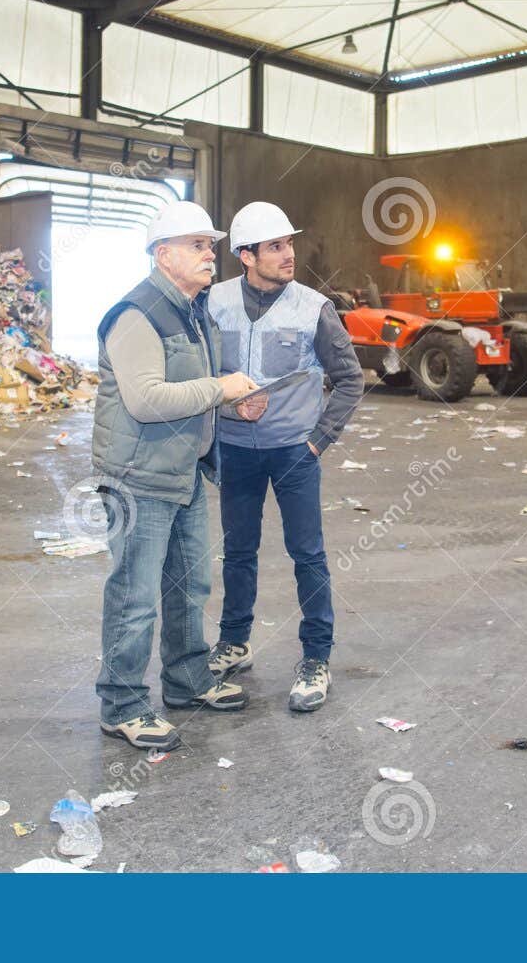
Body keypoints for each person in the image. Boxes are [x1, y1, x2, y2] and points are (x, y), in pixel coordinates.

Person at [92, 200, 264, 752]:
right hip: (138, 477)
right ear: (163, 255)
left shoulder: (195, 310)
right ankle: (121, 704)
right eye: (196, 245)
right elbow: (146, 400)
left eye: (210, 245)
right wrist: (220, 389)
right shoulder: (136, 315)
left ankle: (186, 678)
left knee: (189, 585)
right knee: (135, 595)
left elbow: (194, 386)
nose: (209, 254)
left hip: (183, 469)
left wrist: (234, 402)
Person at [206, 202, 363, 712]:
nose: (289, 254)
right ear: (246, 256)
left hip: (295, 452)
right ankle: (234, 642)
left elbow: (351, 379)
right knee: (238, 551)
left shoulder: (314, 308)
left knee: (307, 554)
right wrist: (221, 410)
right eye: (275, 246)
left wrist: (318, 440)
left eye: (289, 243)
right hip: (235, 450)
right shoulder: (213, 303)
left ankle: (316, 657)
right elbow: (199, 373)